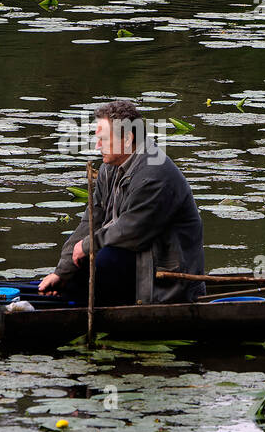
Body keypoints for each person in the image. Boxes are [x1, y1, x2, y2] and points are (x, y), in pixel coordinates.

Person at [38, 99, 205, 305]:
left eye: (103, 139)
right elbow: (91, 221)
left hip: (165, 283)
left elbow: (130, 233)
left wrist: (87, 246)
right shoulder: (110, 167)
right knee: (77, 269)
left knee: (104, 259)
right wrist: (62, 272)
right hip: (134, 263)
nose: (97, 145)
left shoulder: (154, 174)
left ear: (127, 139)